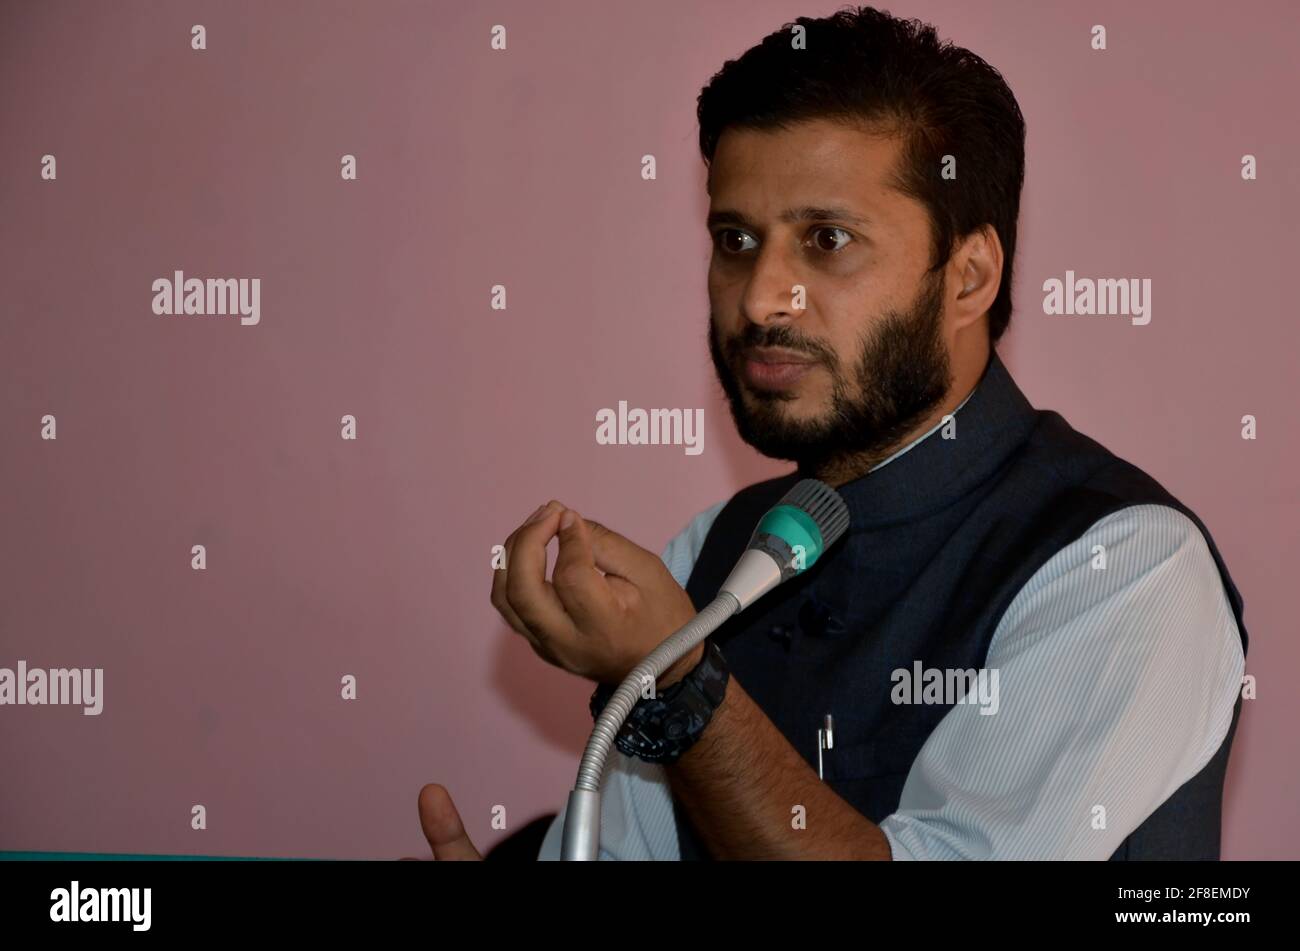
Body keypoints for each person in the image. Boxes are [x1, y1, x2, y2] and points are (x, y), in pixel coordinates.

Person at [416, 6, 1246, 861]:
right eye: (736, 239)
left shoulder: (1125, 563)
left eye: (828, 240)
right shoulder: (714, 551)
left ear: (969, 276)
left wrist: (682, 687)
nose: (762, 295)